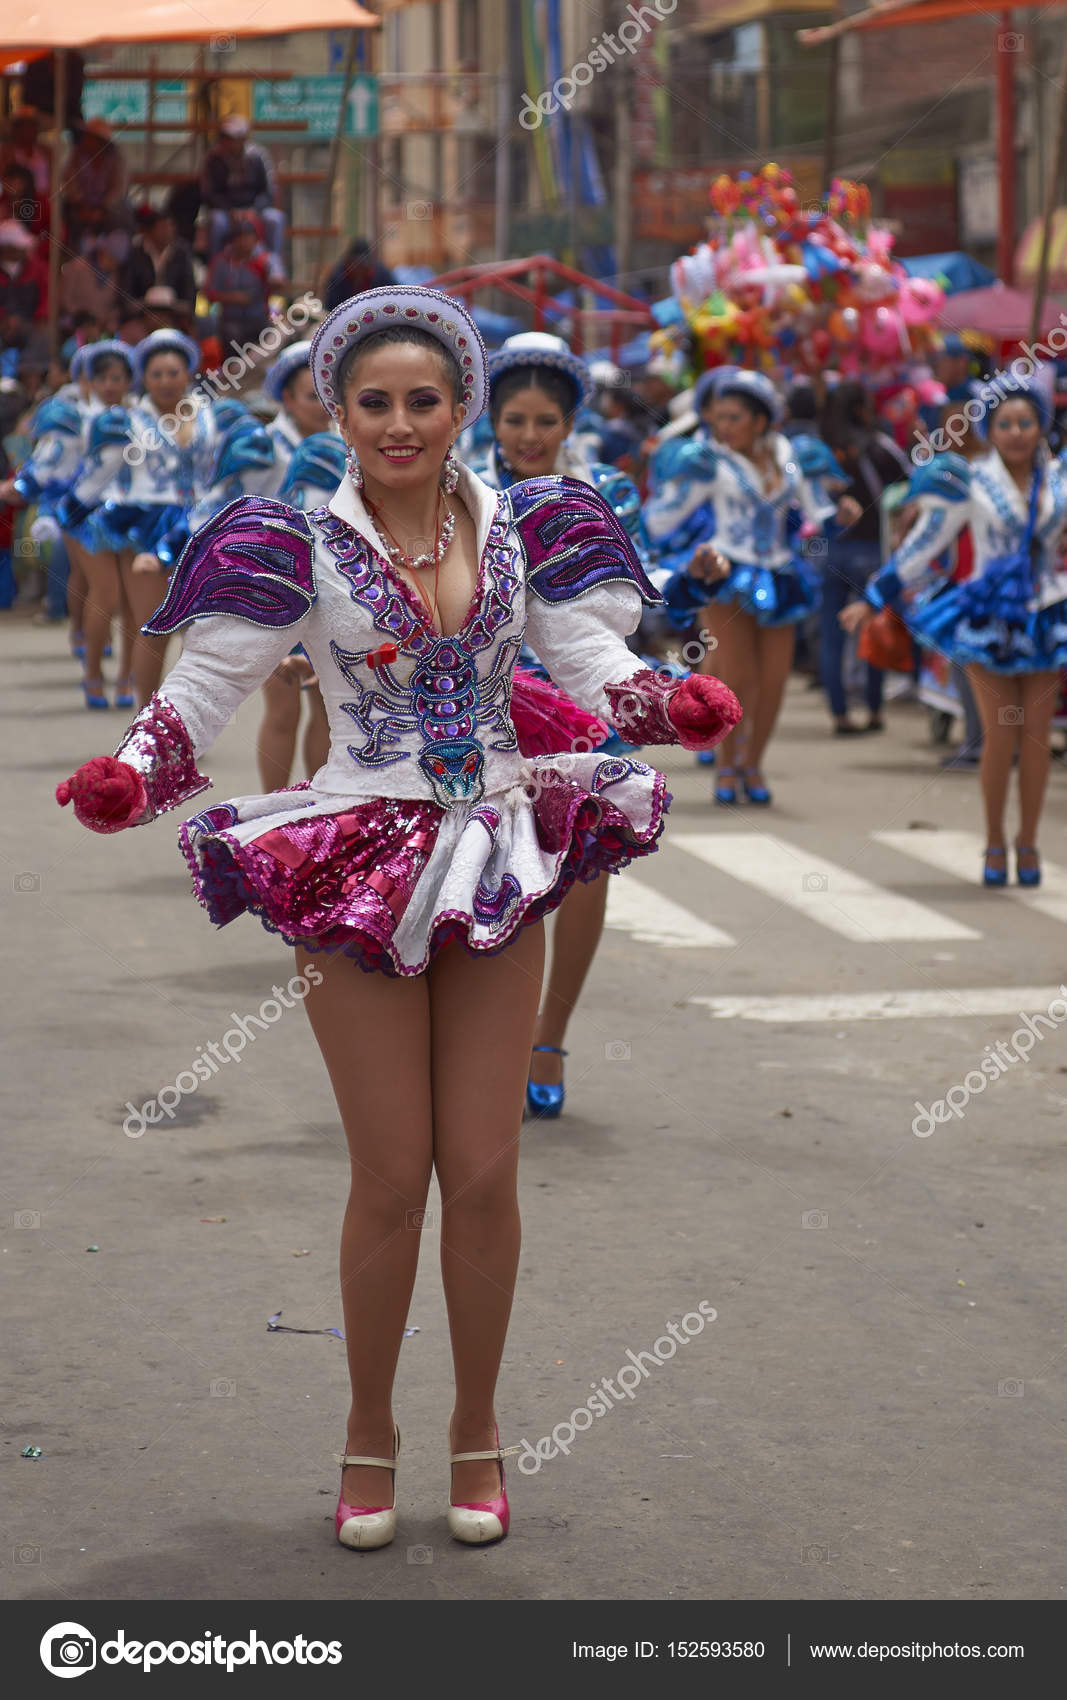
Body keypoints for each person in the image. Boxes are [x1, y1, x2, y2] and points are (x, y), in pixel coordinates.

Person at [55, 285, 740, 1552]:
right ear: (337, 408)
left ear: (459, 404)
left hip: (491, 846)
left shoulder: (523, 523)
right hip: (353, 852)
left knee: (482, 1168)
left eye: (423, 399)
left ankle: (475, 1427)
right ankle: (367, 1431)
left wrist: (661, 697)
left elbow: (584, 658)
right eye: (373, 401)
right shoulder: (292, 542)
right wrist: (139, 769)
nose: (398, 422)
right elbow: (209, 678)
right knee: (390, 1172)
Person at [469, 330, 656, 1120]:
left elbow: (639, 584)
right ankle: (491, 1041)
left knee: (582, 870)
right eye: (514, 420)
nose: (528, 437)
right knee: (495, 865)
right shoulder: (461, 489)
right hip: (488, 704)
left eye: (545, 420)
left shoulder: (607, 486)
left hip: (585, 704)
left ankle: (550, 1035)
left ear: (571, 420)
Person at [841, 377, 1067, 887]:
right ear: (989, 429)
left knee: (1036, 739)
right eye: (1005, 424)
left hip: (1047, 614)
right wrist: (875, 595)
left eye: (1025, 423)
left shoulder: (1058, 482)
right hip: (987, 617)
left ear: (1040, 427)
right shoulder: (971, 481)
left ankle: (1028, 843)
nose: (1015, 433)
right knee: (998, 737)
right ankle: (994, 841)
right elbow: (924, 543)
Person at [647, 369, 858, 805]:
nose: (722, 426)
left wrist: (841, 515)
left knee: (775, 679)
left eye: (734, 417)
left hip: (781, 573)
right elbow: (660, 518)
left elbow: (819, 513)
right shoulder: (709, 461)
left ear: (761, 420)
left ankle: (753, 763)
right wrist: (666, 543)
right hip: (728, 574)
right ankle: (727, 763)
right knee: (737, 675)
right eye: (719, 417)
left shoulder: (791, 456)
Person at [57, 328, 217, 707]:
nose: (165, 381)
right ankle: (149, 720)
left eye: (173, 372)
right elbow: (101, 474)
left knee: (199, 633)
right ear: (144, 378)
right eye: (156, 374)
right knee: (153, 625)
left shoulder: (212, 417)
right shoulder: (127, 422)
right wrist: (70, 511)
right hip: (144, 525)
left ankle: (187, 719)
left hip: (201, 526)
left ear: (188, 373)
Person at [819, 379, 911, 735]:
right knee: (873, 626)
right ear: (862, 409)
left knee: (832, 634)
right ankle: (874, 709)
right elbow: (909, 486)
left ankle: (839, 714)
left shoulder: (822, 450)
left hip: (828, 552)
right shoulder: (880, 446)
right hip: (872, 549)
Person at [200, 116, 284, 258]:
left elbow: (268, 191)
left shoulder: (258, 156)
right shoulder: (213, 158)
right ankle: (215, 267)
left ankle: (272, 266)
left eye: (233, 138)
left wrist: (254, 210)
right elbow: (209, 193)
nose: (228, 142)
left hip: (255, 209)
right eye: (226, 137)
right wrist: (230, 210)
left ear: (243, 139)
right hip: (225, 212)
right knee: (216, 221)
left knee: (275, 219)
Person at [205, 214, 286, 351]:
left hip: (260, 319)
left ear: (255, 239)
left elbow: (280, 281)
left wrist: (272, 280)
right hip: (231, 320)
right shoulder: (221, 262)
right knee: (229, 336)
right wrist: (234, 298)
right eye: (240, 238)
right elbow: (209, 294)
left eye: (248, 237)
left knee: (274, 336)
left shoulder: (265, 259)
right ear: (233, 241)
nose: (244, 242)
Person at [62, 119, 131, 248]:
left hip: (107, 209)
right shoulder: (76, 156)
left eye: (90, 137)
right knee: (65, 214)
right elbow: (70, 182)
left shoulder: (116, 159)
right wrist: (81, 204)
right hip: (80, 206)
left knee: (123, 214)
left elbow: (118, 188)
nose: (86, 140)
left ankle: (116, 254)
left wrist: (102, 209)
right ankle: (71, 251)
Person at [122, 208, 197, 317]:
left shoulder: (181, 253)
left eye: (171, 227)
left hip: (174, 315)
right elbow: (127, 291)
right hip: (142, 315)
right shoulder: (136, 254)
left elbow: (189, 291)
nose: (168, 232)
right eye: (162, 228)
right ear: (150, 230)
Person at [0, 221, 49, 371]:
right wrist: (4, 320)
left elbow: (47, 297)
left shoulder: (38, 268)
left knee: (43, 337)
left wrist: (40, 317)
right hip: (3, 325)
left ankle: (30, 376)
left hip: (30, 322)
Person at [322, 237, 395, 312]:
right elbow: (330, 306)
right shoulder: (338, 275)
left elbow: (394, 298)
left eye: (363, 265)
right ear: (348, 262)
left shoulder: (382, 274)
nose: (359, 269)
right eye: (355, 265)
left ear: (370, 262)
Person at [0, 108, 50, 202]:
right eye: (25, 126)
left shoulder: (45, 151)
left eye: (33, 126)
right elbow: (5, 179)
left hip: (44, 201)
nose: (30, 130)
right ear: (16, 129)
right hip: (17, 202)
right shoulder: (7, 151)